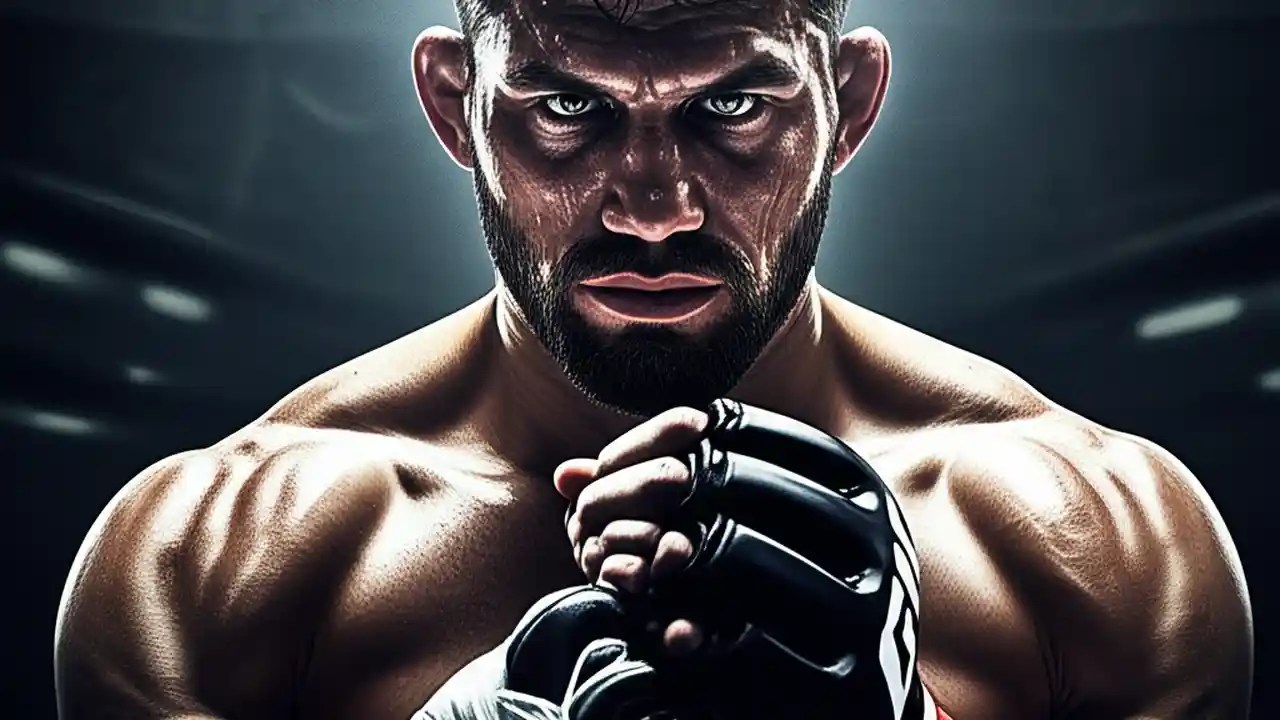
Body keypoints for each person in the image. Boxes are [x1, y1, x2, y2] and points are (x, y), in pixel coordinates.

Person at [54, 0, 1253, 718]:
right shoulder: (209, 560)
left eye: (731, 108)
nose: (652, 207)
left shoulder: (1096, 542)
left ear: (848, 101)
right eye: (565, 108)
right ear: (452, 101)